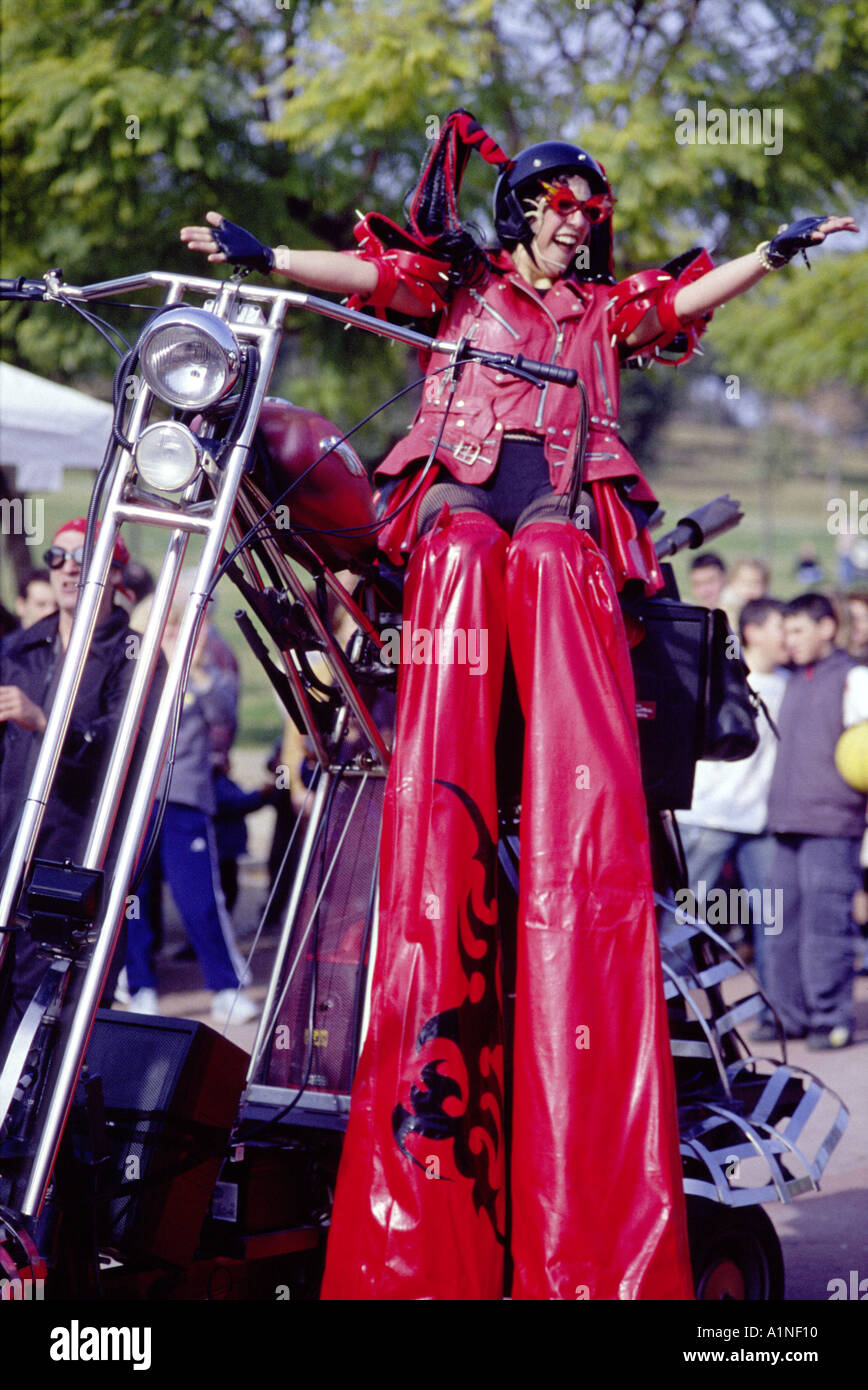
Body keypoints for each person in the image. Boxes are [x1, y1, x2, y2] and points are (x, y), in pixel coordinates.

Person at [181, 110, 857, 1300]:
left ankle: (561, 762)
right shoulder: (461, 289)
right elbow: (378, 274)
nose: (570, 226)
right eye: (554, 208)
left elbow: (680, 306)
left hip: (557, 513)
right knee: (454, 550)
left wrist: (775, 251)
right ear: (519, 218)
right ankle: (449, 769)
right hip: (459, 500)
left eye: (584, 213)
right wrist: (261, 258)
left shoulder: (601, 316)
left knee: (550, 560)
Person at [0, 520, 141, 1052]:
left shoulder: (135, 655)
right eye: (57, 556)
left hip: (74, 863)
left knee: (48, 1017)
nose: (69, 567)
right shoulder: (19, 649)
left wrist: (48, 723)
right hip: (9, 849)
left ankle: (31, 1132)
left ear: (116, 571)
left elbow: (123, 749)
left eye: (85, 556)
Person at [122, 597, 257, 1024]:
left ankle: (226, 986)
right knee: (134, 899)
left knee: (199, 900)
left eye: (184, 629)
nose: (176, 638)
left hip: (185, 803)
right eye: (168, 629)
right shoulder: (135, 675)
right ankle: (138, 983)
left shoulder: (207, 678)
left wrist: (196, 670)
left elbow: (224, 713)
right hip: (138, 802)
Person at [763, 593, 868, 1048]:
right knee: (780, 925)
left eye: (798, 630)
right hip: (786, 821)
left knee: (824, 926)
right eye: (784, 631)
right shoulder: (792, 679)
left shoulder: (854, 678)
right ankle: (787, 1015)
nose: (789, 640)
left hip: (832, 823)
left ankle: (831, 1018)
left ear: (827, 628)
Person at [676, 598, 788, 1011]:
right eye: (781, 625)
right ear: (754, 632)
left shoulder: (790, 685)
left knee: (772, 916)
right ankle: (671, 1012)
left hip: (760, 825)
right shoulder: (724, 677)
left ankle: (775, 1008)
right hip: (710, 820)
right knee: (685, 921)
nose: (786, 636)